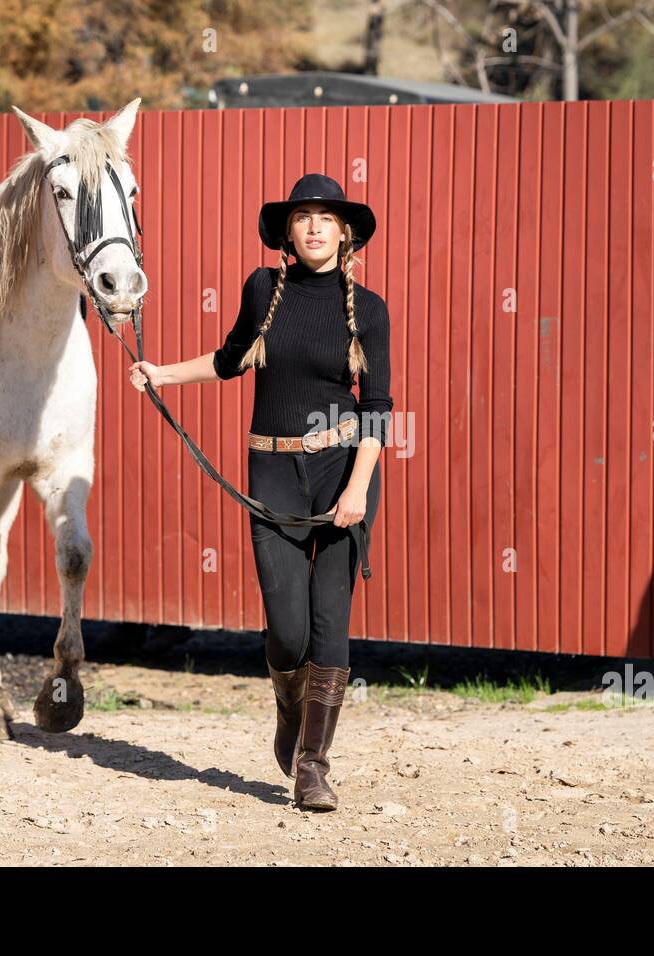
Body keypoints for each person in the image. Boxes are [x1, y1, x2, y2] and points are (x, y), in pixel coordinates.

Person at [129, 173, 393, 811]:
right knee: (286, 630)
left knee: (330, 624)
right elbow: (228, 360)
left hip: (342, 475)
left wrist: (358, 488)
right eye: (303, 217)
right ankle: (287, 702)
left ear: (345, 232)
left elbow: (380, 409)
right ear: (287, 231)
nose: (314, 228)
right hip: (273, 470)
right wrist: (161, 372)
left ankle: (313, 767)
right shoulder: (263, 290)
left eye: (326, 218)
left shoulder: (371, 308)